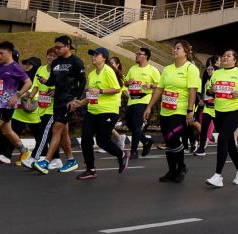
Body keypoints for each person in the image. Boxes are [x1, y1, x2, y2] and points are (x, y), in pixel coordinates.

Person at [147, 39, 202, 183]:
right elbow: (159, 89)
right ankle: (172, 170)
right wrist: (149, 106)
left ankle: (181, 167)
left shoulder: (191, 68)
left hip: (181, 111)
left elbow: (192, 90)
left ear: (186, 52)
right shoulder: (167, 69)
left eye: (178, 48)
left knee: (172, 138)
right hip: (165, 110)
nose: (174, 50)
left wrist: (190, 110)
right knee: (168, 140)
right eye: (174, 48)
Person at [33, 35, 86, 175]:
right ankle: (71, 160)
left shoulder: (76, 62)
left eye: (59, 47)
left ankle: (46, 161)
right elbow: (53, 81)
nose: (56, 50)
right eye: (55, 47)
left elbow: (83, 82)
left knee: (56, 129)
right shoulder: (56, 62)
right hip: (57, 101)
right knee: (63, 132)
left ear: (68, 46)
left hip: (69, 102)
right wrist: (45, 81)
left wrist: (75, 100)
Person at [72, 48, 127, 180]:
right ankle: (90, 169)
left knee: (102, 141)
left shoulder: (108, 71)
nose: (93, 56)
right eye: (92, 54)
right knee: (86, 139)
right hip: (92, 111)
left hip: (108, 111)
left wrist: (100, 90)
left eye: (96, 54)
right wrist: (81, 103)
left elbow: (117, 89)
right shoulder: (92, 74)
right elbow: (92, 94)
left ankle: (122, 155)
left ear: (104, 58)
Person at [205, 49, 238, 187]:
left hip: (235, 110)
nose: (225, 57)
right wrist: (211, 90)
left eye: (228, 56)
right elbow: (209, 90)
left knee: (222, 139)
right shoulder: (216, 73)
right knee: (230, 142)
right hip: (219, 111)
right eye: (224, 55)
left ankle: (218, 176)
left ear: (234, 60)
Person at [123, 47, 160, 160]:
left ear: (146, 56)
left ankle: (134, 151)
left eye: (139, 54)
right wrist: (128, 83)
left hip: (144, 99)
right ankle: (145, 141)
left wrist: (151, 85)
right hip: (132, 99)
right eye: (136, 53)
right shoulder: (132, 68)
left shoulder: (152, 70)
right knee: (129, 123)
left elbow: (160, 85)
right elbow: (125, 83)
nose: (136, 55)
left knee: (136, 124)